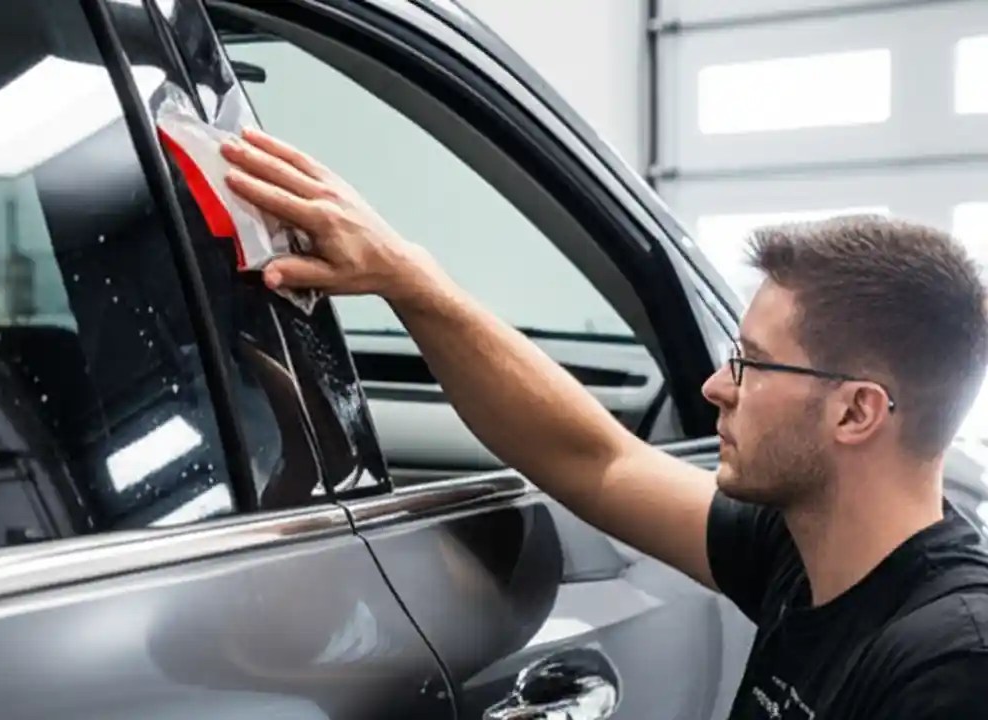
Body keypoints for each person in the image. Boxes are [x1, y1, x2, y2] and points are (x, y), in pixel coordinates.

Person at [219, 128, 988, 720]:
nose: (718, 386)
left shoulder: (951, 665)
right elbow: (595, 460)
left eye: (753, 365)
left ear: (856, 410)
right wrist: (408, 279)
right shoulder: (802, 552)